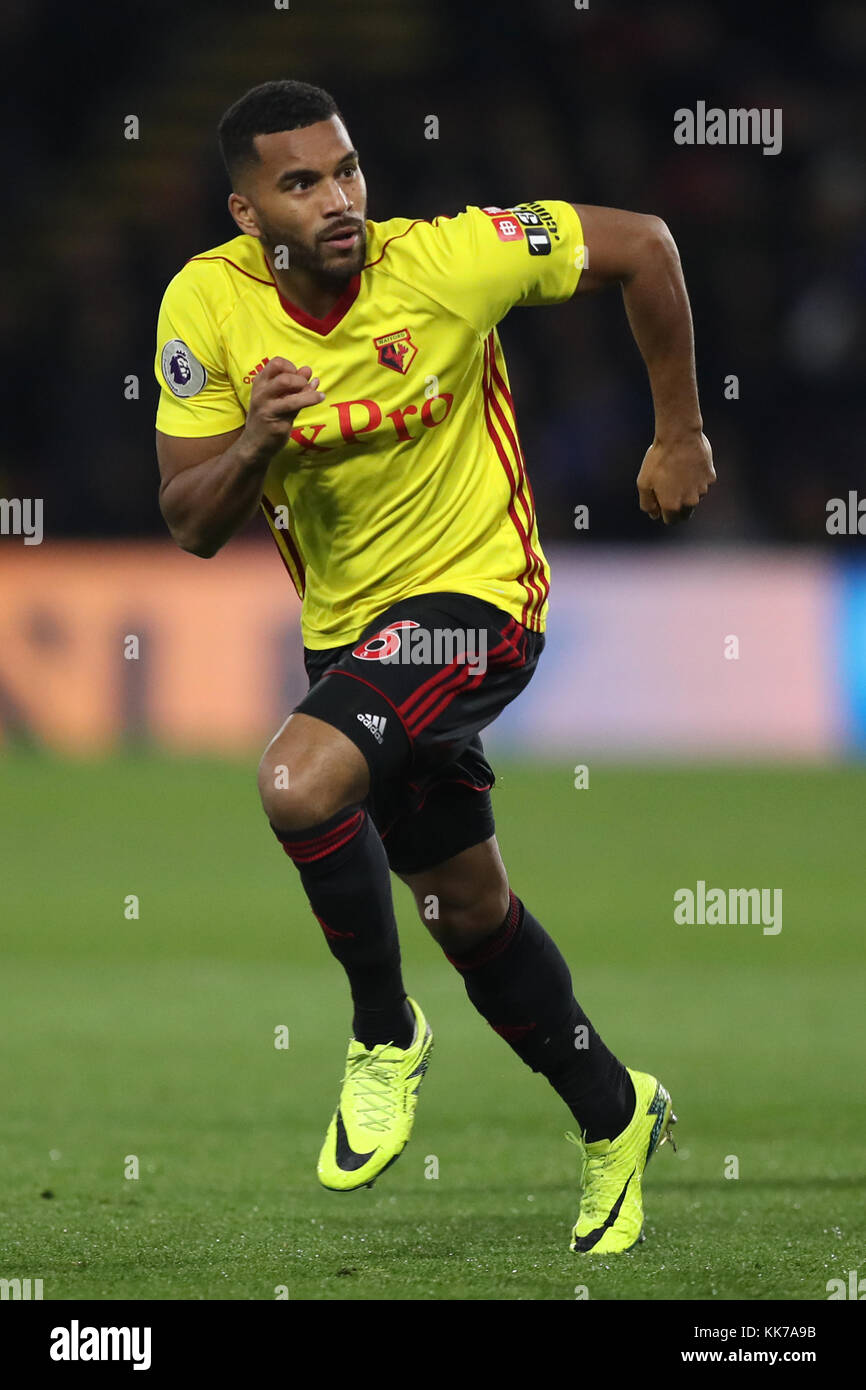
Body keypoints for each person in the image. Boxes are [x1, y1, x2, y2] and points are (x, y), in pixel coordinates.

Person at [154, 79, 715, 1254]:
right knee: (468, 911)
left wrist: (677, 430)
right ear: (246, 212)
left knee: (297, 782)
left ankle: (378, 1031)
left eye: (346, 168)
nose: (338, 197)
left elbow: (644, 246)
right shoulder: (203, 306)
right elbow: (192, 522)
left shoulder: (452, 259)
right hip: (350, 637)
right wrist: (255, 436)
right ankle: (616, 1117)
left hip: (479, 603)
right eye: (300, 182)